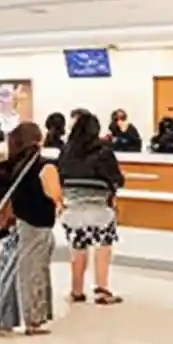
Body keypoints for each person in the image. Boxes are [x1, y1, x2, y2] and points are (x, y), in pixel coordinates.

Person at [0, 122, 61, 336]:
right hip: (37, 224)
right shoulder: (44, 166)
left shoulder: (5, 169)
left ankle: (5, 319)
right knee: (34, 272)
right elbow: (54, 195)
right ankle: (33, 320)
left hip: (15, 224)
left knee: (10, 271)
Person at [58, 111, 125, 305]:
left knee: (77, 247)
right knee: (102, 247)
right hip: (100, 209)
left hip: (72, 209)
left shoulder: (66, 151)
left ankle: (76, 290)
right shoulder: (104, 151)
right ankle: (102, 289)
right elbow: (117, 179)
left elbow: (60, 176)